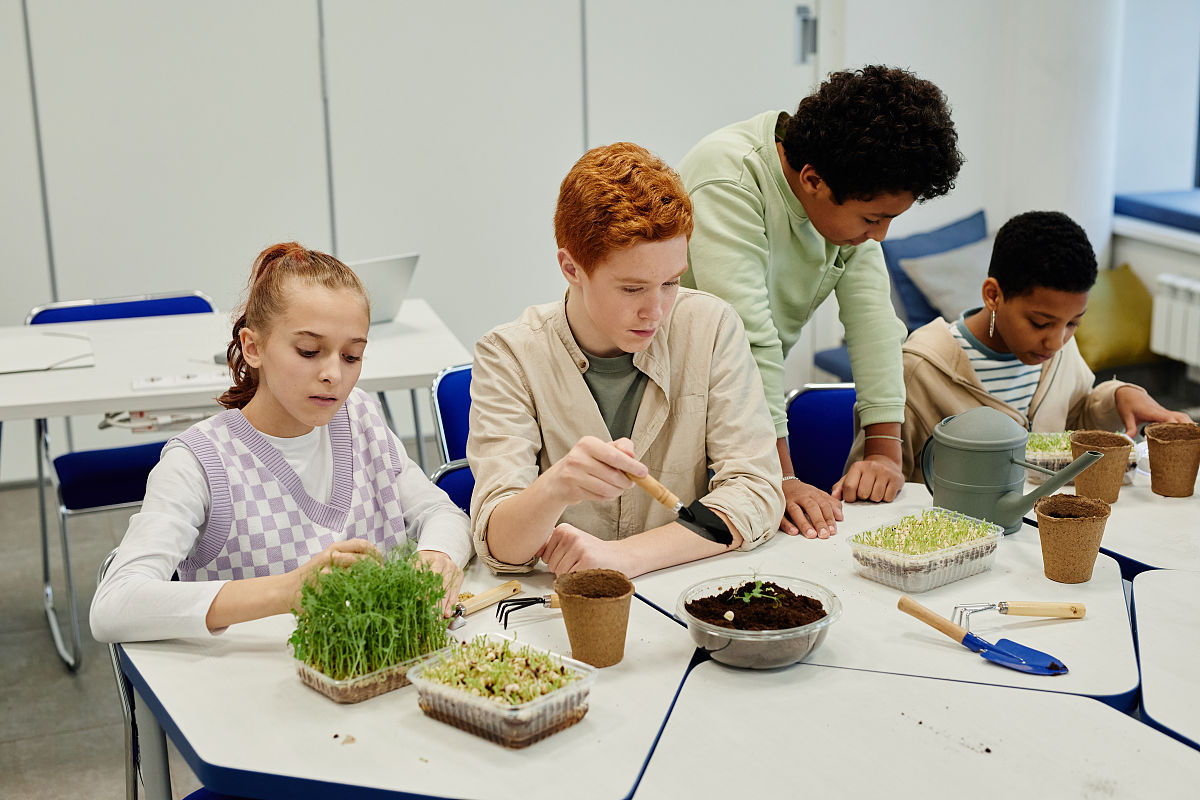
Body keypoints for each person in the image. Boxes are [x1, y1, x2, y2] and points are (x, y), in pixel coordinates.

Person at [91, 243, 473, 642]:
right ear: (253, 348)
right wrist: (288, 591)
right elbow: (114, 604)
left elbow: (442, 514)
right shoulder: (198, 462)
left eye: (351, 356)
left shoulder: (361, 416)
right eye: (309, 351)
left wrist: (437, 556)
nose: (333, 374)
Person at [467, 142, 784, 578]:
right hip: (558, 601)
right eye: (632, 289)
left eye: (671, 282)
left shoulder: (710, 327)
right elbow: (500, 546)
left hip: (677, 583)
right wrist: (555, 487)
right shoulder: (510, 355)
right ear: (571, 268)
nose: (656, 311)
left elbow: (756, 491)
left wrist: (626, 557)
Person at [678, 65, 964, 539]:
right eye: (873, 219)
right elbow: (748, 342)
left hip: (739, 406)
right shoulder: (728, 180)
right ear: (813, 180)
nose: (880, 235)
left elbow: (875, 324)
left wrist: (884, 453)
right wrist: (779, 479)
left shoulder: (841, 188)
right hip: (673, 406)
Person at [847, 210, 1194, 480]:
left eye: (1073, 323)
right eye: (1040, 323)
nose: (1056, 341)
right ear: (993, 295)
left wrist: (1117, 397)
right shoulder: (918, 370)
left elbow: (1074, 419)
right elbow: (875, 479)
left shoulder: (1060, 351)